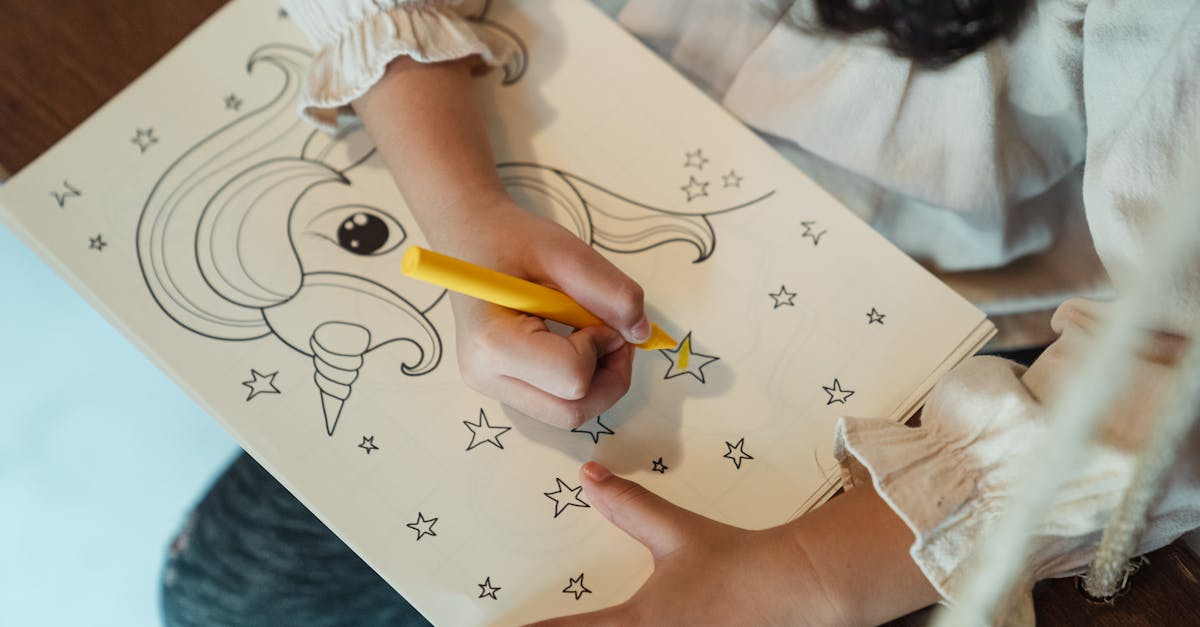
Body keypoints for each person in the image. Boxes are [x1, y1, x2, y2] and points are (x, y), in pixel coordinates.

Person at [161, 1, 1200, 625]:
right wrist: (467, 208)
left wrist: (797, 581)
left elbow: (1178, 357)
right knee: (232, 594)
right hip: (526, 152)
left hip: (938, 366)